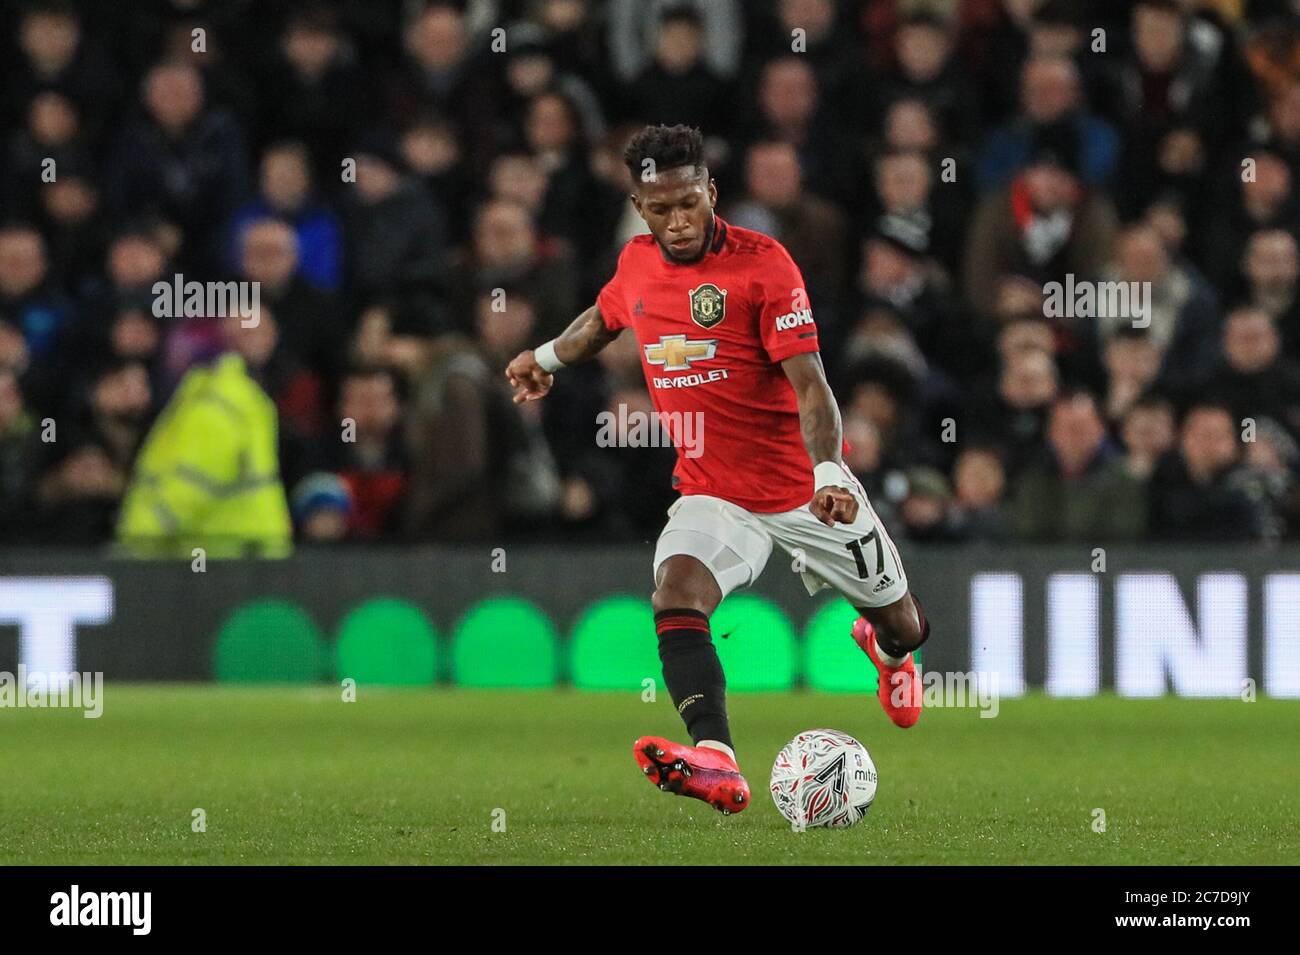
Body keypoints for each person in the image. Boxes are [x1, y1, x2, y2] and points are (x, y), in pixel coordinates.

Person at [504, 125, 929, 816]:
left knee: (906, 624)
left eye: (689, 203)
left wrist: (828, 470)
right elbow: (606, 318)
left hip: (806, 490)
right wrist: (545, 358)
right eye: (660, 208)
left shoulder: (764, 266)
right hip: (716, 492)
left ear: (712, 193)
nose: (677, 221)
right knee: (676, 591)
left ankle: (886, 652)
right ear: (640, 208)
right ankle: (716, 758)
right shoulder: (637, 263)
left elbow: (812, 383)